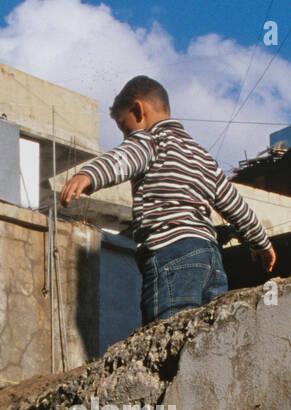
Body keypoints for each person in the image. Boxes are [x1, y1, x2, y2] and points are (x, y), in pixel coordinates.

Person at [59, 75, 276, 324]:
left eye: (125, 128)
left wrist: (89, 174)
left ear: (139, 110)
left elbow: (124, 158)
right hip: (211, 260)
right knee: (210, 336)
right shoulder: (202, 157)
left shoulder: (149, 140)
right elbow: (235, 205)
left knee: (167, 332)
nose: (127, 136)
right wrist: (261, 242)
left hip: (171, 255)